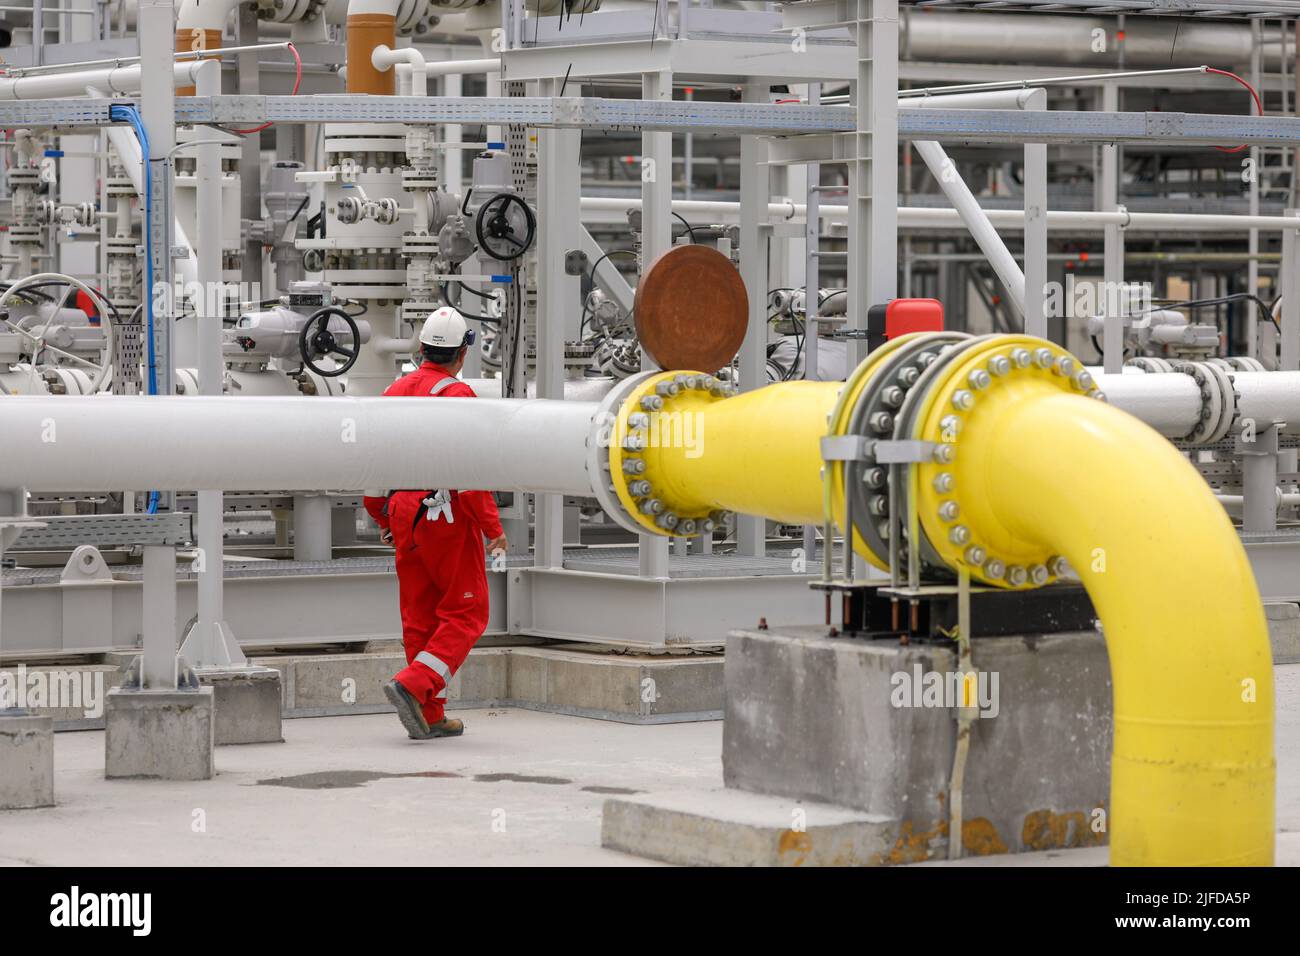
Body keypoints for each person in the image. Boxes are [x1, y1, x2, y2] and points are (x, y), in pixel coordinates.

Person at [363, 306, 508, 740]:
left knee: (420, 616)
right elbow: (470, 474)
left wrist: (379, 511)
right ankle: (413, 685)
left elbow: (375, 463)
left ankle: (428, 712)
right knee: (467, 612)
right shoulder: (457, 396)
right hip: (445, 513)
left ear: (422, 348)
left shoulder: (395, 391)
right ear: (463, 353)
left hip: (403, 514)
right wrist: (493, 529)